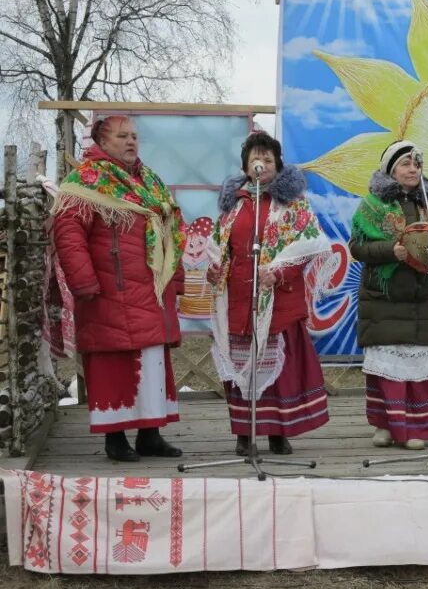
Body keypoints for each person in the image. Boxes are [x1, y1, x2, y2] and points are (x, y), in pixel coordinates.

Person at [52, 115, 185, 462]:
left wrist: (177, 277)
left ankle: (150, 436)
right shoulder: (85, 181)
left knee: (152, 362)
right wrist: (82, 281)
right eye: (123, 136)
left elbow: (173, 230)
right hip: (109, 290)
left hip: (151, 291)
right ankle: (115, 439)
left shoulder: (149, 181)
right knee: (114, 366)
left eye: (135, 136)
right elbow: (68, 232)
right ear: (102, 142)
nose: (131, 142)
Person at [208, 131, 332, 456]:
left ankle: (278, 431)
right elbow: (220, 247)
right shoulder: (234, 206)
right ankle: (243, 434)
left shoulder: (293, 205)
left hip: (279, 298)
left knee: (279, 371)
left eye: (267, 158)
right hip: (239, 299)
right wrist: (215, 269)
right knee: (241, 367)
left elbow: (307, 246)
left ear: (277, 164)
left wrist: (278, 273)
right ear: (246, 167)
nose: (260, 164)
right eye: (254, 159)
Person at [350, 140, 428, 449]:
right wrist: (391, 251)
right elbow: (357, 247)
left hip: (420, 295)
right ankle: (384, 426)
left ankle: (414, 428)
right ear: (391, 169)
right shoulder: (372, 205)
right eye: (405, 164)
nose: (412, 169)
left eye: (416, 163)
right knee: (386, 369)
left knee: (417, 370)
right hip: (382, 297)